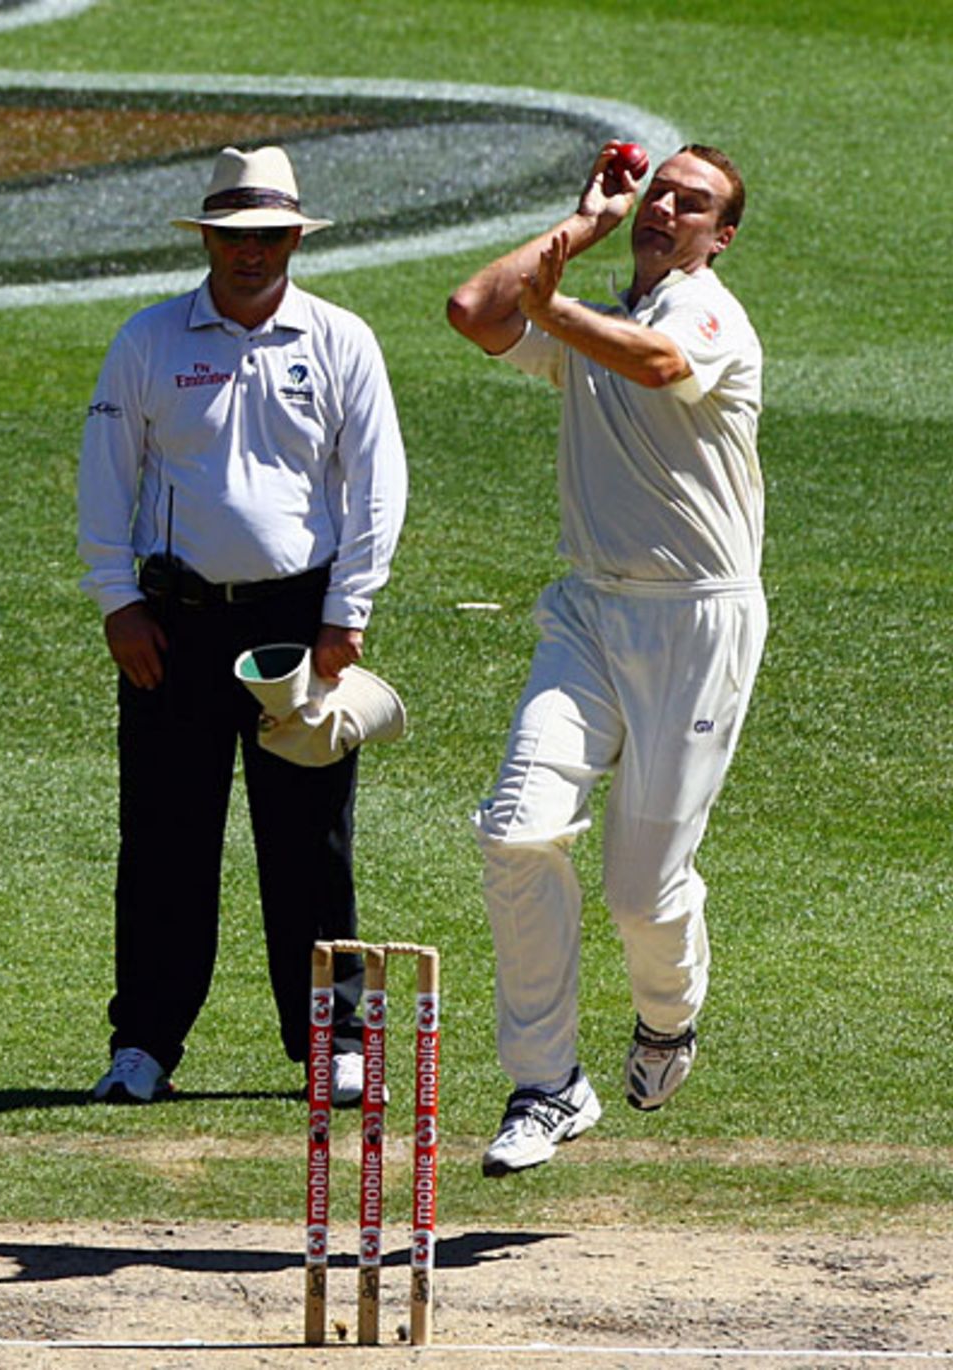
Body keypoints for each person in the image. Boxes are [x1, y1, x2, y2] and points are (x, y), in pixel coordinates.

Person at [446, 141, 766, 1176]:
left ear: (721, 235)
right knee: (515, 830)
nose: (668, 207)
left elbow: (659, 362)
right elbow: (471, 310)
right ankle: (546, 1082)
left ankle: (666, 1017)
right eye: (660, 192)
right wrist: (580, 227)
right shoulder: (591, 310)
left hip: (697, 623)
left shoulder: (706, 312)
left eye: (694, 202)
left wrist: (553, 304)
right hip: (588, 611)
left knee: (642, 893)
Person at [78, 145, 408, 1105]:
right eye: (232, 237)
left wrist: (346, 615)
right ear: (208, 239)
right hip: (173, 625)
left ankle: (337, 1043)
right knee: (164, 841)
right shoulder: (148, 340)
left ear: (296, 237)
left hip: (297, 623)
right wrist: (118, 602)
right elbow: (106, 478)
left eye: (268, 236)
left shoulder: (341, 339)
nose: (250, 254)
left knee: (315, 844)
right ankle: (142, 1044)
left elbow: (376, 488)